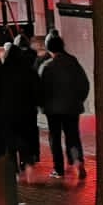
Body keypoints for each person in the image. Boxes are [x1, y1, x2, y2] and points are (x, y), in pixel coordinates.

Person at [37, 32, 91, 180]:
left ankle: (58, 168)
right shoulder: (73, 62)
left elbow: (40, 89)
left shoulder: (46, 67)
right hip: (72, 107)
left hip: (53, 109)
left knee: (55, 137)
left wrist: (42, 105)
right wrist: (79, 99)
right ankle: (77, 160)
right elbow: (84, 84)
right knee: (72, 135)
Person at [0, 39, 42, 177]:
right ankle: (28, 163)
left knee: (9, 143)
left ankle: (14, 171)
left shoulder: (0, 72)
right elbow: (38, 90)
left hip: (6, 114)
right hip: (27, 113)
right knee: (26, 139)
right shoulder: (29, 72)